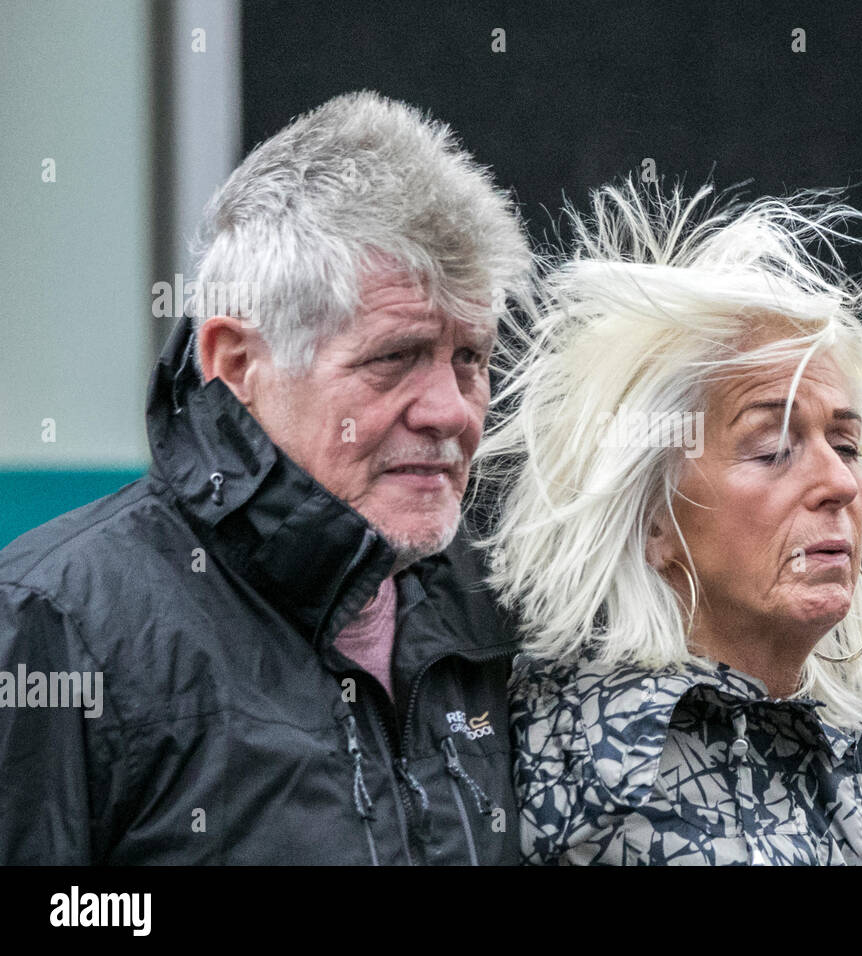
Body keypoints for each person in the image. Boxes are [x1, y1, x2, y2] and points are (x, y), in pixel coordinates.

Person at [0, 92, 532, 864]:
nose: (450, 412)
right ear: (238, 363)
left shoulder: (510, 606)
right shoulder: (50, 628)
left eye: (470, 360)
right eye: (394, 358)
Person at [474, 182, 862, 865]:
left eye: (845, 446)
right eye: (773, 449)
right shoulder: (603, 771)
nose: (840, 483)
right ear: (653, 518)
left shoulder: (834, 745)